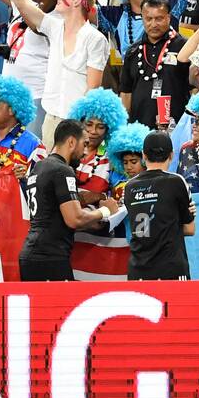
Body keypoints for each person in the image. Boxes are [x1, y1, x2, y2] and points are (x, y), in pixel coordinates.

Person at [5, 0, 108, 147]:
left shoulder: (95, 39)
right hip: (50, 118)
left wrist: (80, 127)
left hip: (76, 124)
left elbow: (92, 88)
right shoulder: (54, 27)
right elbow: (22, 2)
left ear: (77, 0)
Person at [20, 118, 118, 280]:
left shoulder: (39, 167)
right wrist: (106, 210)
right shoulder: (62, 170)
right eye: (84, 144)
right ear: (72, 142)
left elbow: (55, 216)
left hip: (31, 255)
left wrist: (97, 222)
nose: (85, 151)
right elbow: (75, 219)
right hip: (50, 258)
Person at [123, 131, 195, 280]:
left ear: (143, 155)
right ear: (171, 155)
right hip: (172, 270)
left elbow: (144, 228)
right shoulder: (177, 181)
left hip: (138, 270)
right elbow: (190, 229)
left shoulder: (129, 186)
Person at [118, 0, 190, 128]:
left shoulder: (184, 47)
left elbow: (194, 89)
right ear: (142, 19)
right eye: (148, 19)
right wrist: (123, 126)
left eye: (159, 19)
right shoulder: (133, 51)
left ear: (168, 18)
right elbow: (126, 93)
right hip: (138, 130)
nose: (153, 24)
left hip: (176, 129)